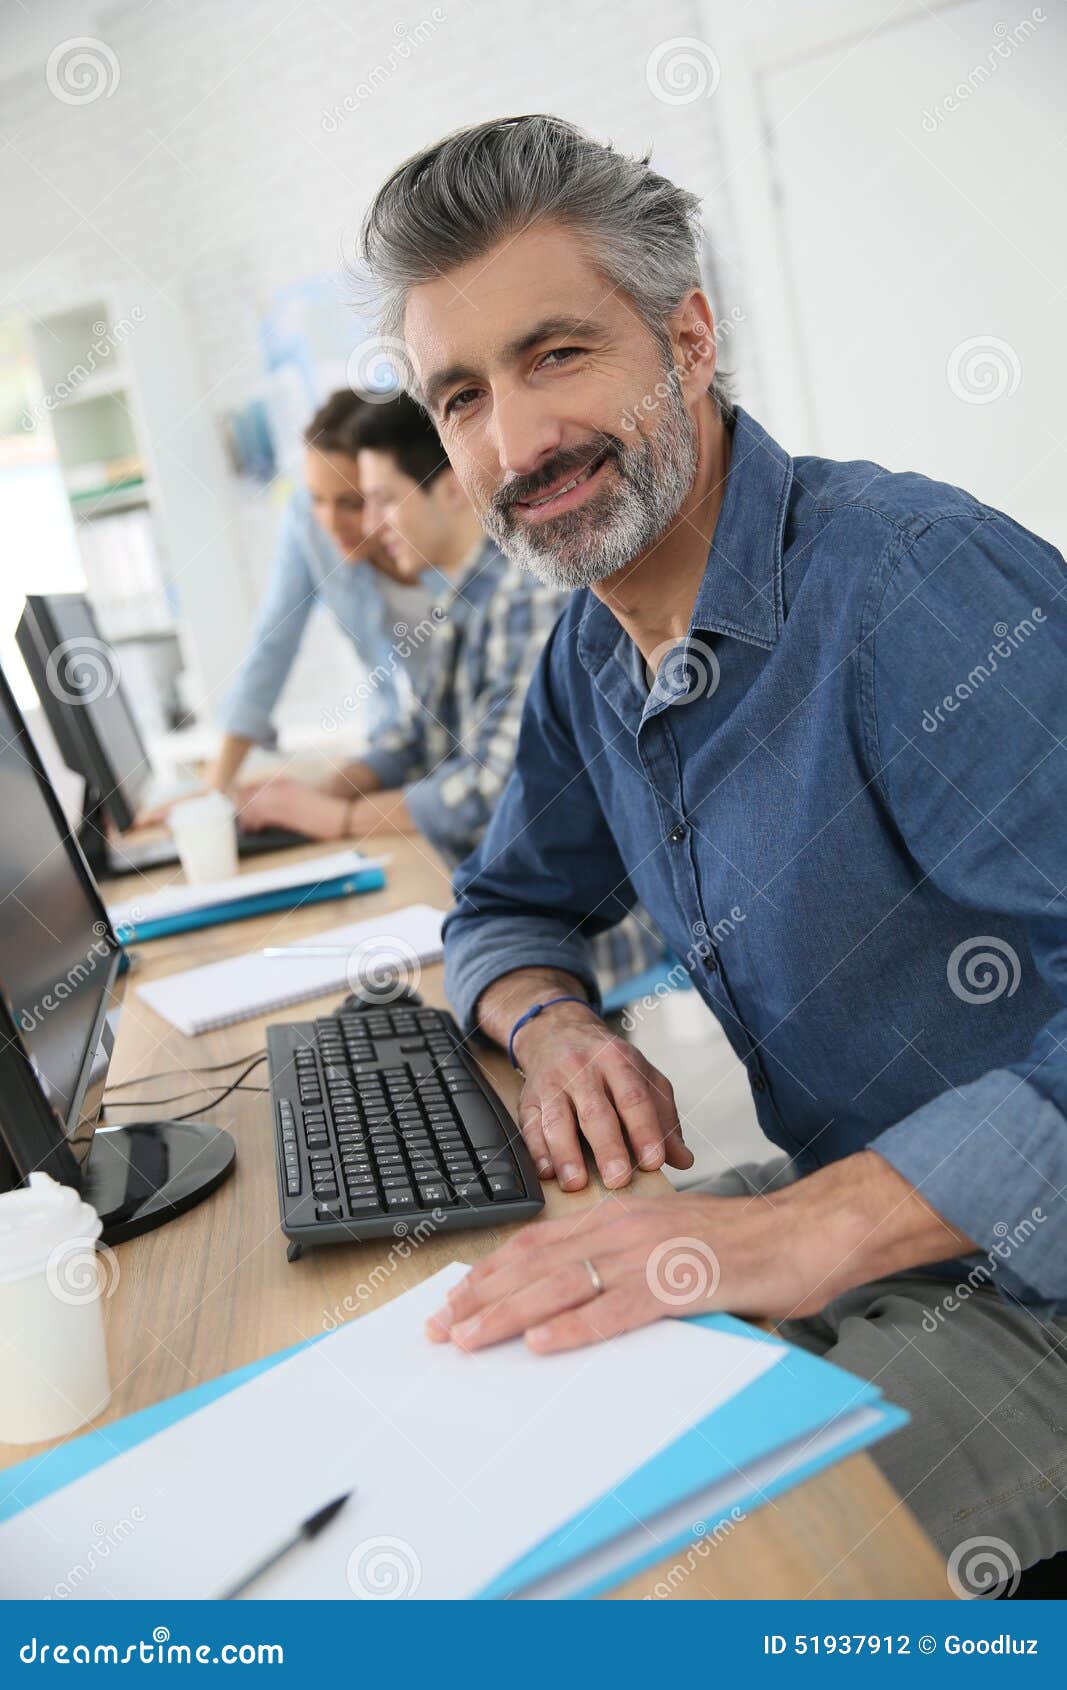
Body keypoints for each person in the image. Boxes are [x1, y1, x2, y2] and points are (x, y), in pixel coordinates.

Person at [353, 113, 1067, 1574]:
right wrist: (550, 1026)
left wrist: (799, 1236)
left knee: (673, 1575)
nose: (515, 442)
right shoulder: (588, 652)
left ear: (685, 335)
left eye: (556, 355)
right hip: (877, 1239)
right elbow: (499, 906)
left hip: (1030, 1292)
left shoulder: (909, 586)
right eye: (460, 395)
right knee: (473, 1406)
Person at [239, 394, 666, 994]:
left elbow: (488, 792)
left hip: (579, 932)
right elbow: (415, 739)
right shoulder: (461, 597)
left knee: (386, 997)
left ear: (451, 487)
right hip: (495, 891)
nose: (369, 529)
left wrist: (334, 819)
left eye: (384, 502)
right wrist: (313, 794)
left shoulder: (526, 595)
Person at [207, 389, 442, 794]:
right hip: (394, 751)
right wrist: (217, 789)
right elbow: (273, 642)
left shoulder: (451, 539)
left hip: (468, 754)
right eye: (317, 498)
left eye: (351, 503)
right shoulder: (309, 522)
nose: (331, 523)